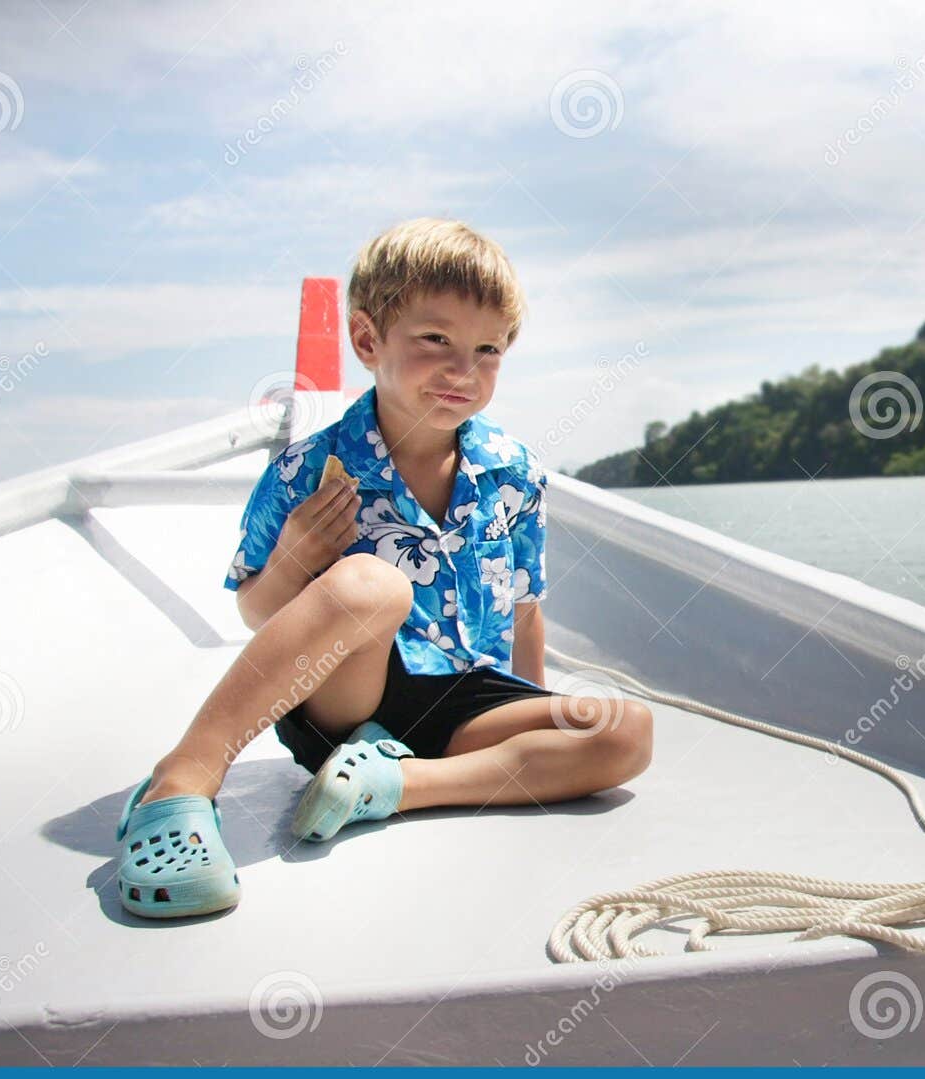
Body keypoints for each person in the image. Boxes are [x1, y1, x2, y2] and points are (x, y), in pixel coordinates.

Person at [113, 218, 653, 919]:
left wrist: (532, 711)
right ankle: (179, 780)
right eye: (436, 340)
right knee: (374, 583)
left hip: (461, 702)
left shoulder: (514, 473)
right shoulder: (307, 468)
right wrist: (294, 559)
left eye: (488, 349)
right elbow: (254, 610)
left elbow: (524, 607)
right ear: (368, 340)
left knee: (622, 728)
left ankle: (394, 784)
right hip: (348, 699)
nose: (464, 369)